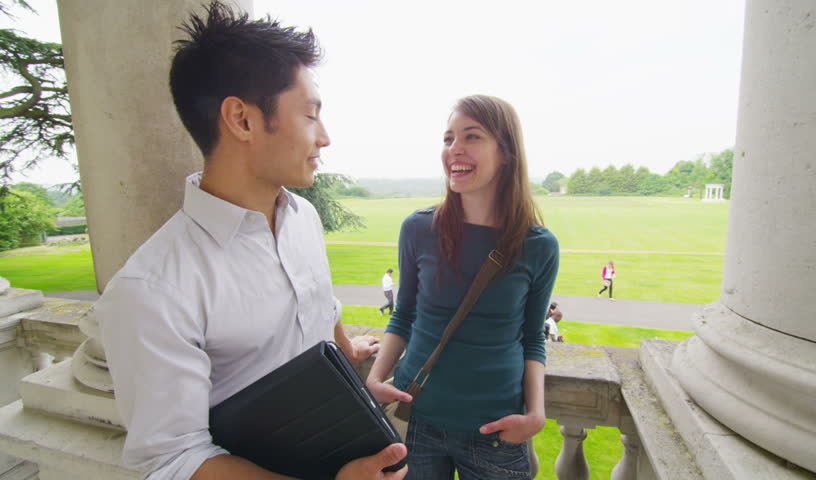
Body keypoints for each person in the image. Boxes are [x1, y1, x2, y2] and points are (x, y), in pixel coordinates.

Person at [95, 4, 406, 479]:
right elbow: (174, 459)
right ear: (242, 119)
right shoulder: (151, 289)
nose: (324, 137)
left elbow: (318, 308)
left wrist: (352, 376)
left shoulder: (302, 218)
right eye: (310, 115)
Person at [365, 95, 560, 479]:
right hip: (415, 418)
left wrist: (536, 414)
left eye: (471, 136)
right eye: (448, 138)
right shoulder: (419, 229)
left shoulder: (538, 245)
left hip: (494, 431)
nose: (454, 149)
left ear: (505, 153)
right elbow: (403, 315)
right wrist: (374, 379)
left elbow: (532, 337)